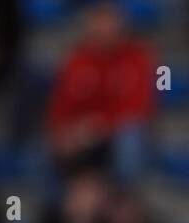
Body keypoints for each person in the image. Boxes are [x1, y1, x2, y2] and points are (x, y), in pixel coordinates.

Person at [44, 1, 156, 181]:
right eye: (98, 23)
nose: (103, 29)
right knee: (46, 150)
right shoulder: (76, 59)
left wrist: (99, 126)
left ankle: (123, 196)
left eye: (109, 22)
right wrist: (63, 133)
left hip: (117, 134)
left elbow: (138, 107)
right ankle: (60, 205)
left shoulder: (138, 57)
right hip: (82, 135)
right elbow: (60, 105)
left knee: (129, 137)